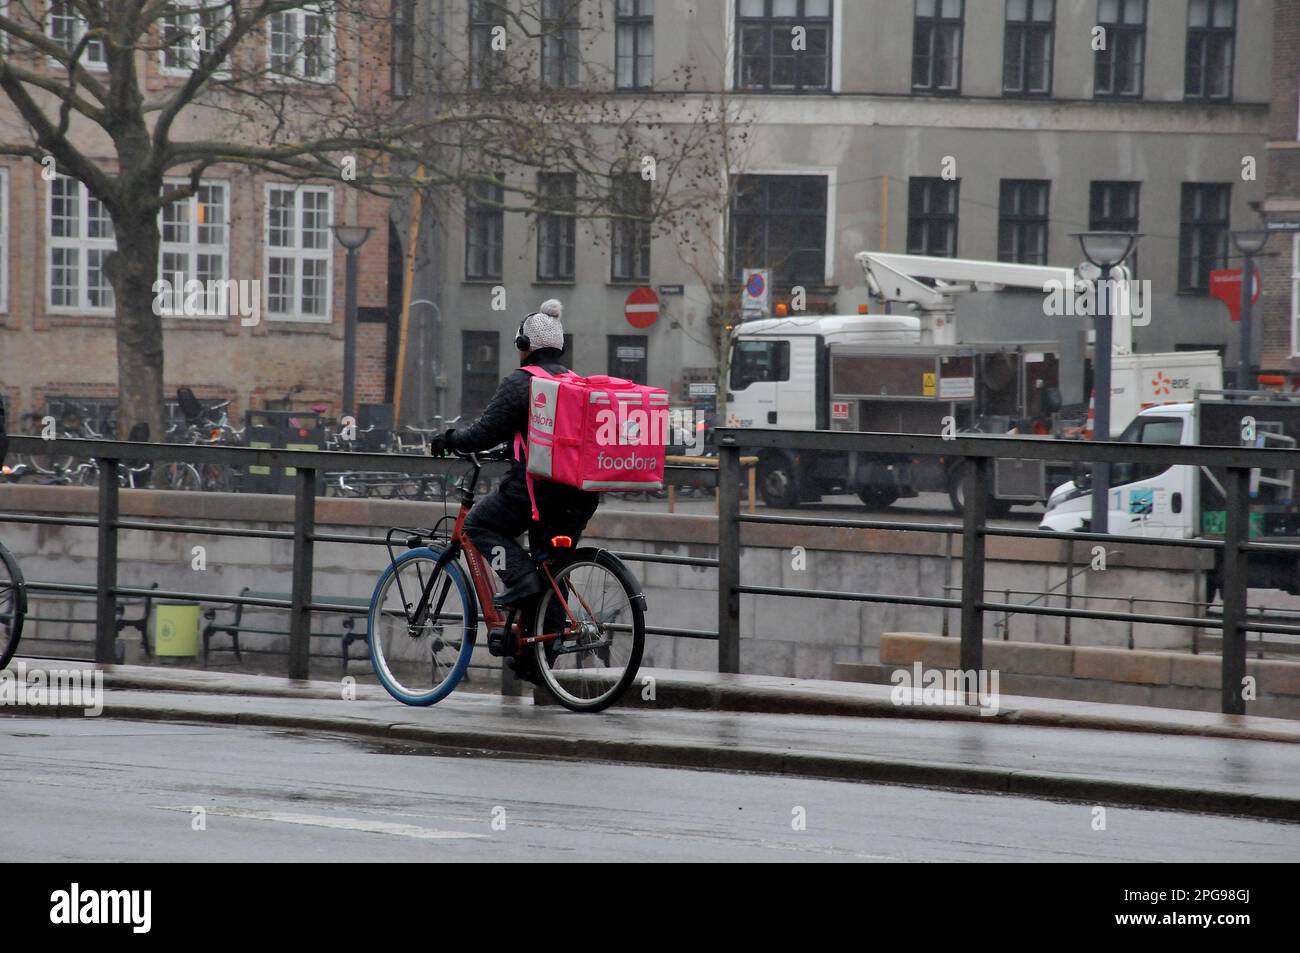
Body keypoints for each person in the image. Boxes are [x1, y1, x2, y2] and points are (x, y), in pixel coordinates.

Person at [429, 299, 598, 682]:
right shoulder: (573, 383)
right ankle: (540, 657)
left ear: (525, 344)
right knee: (553, 566)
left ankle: (520, 582)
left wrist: (451, 439)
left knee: (477, 526)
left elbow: (485, 431)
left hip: (535, 493)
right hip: (578, 497)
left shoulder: (523, 382)